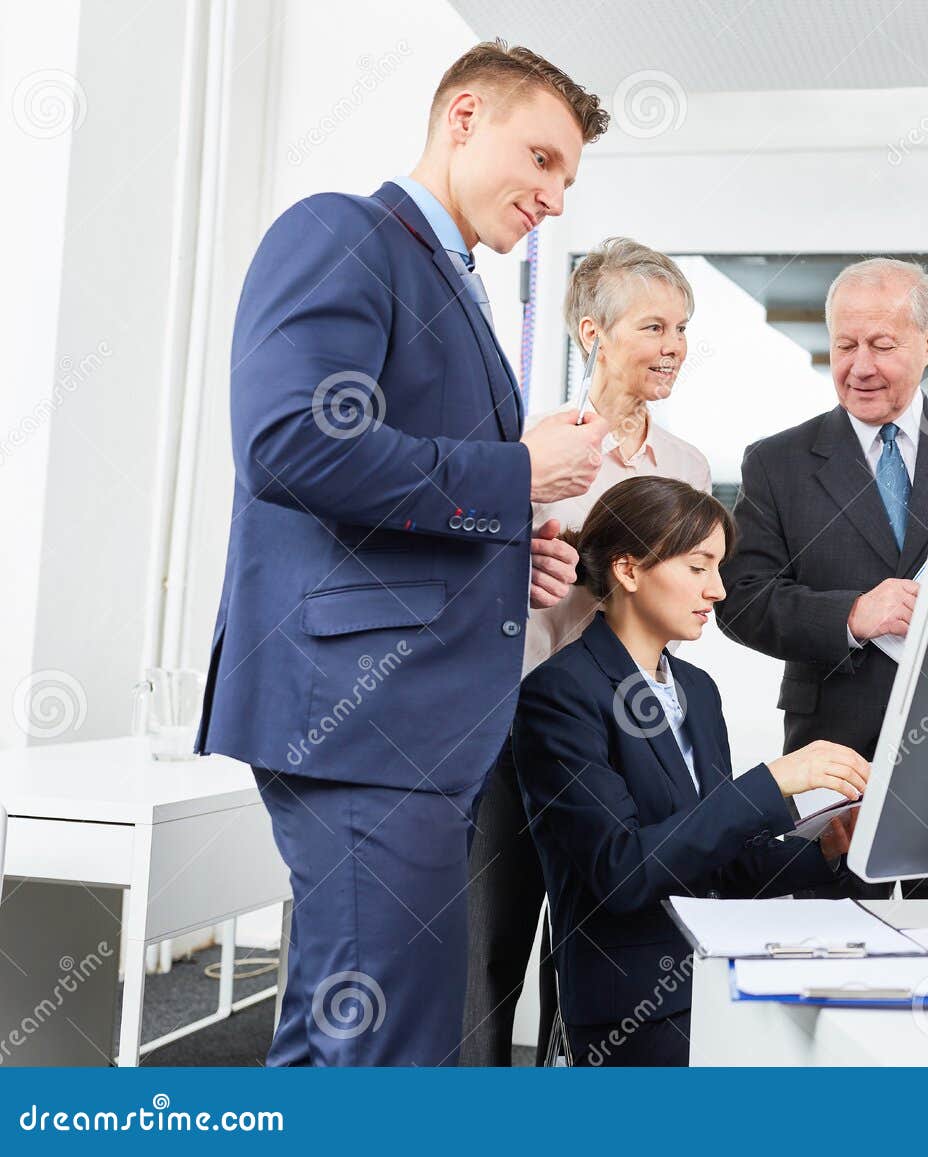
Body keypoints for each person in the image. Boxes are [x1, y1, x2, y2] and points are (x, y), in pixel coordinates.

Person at [196, 41, 612, 1066]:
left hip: (413, 723)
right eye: (544, 159)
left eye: (568, 176)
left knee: (341, 1028)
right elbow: (289, 441)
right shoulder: (341, 232)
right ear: (463, 117)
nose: (555, 196)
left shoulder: (451, 276)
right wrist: (516, 476)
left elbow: (402, 489)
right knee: (393, 1044)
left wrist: (512, 548)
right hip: (360, 719)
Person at [513, 476, 867, 1066]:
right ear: (628, 570)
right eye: (700, 567)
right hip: (629, 1006)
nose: (720, 590)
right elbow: (622, 872)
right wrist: (771, 784)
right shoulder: (560, 694)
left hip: (721, 982)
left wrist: (827, 850)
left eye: (720, 569)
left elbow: (721, 861)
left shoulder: (697, 692)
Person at [718, 257, 928, 901]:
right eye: (844, 345)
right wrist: (849, 616)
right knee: (830, 962)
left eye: (882, 345)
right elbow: (742, 601)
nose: (859, 366)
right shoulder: (776, 462)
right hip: (833, 758)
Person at [462, 239, 712, 1066]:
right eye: (653, 325)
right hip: (519, 726)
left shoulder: (686, 466)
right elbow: (468, 586)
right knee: (492, 946)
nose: (673, 345)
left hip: (628, 740)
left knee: (597, 948)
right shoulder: (533, 446)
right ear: (592, 334)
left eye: (681, 327)